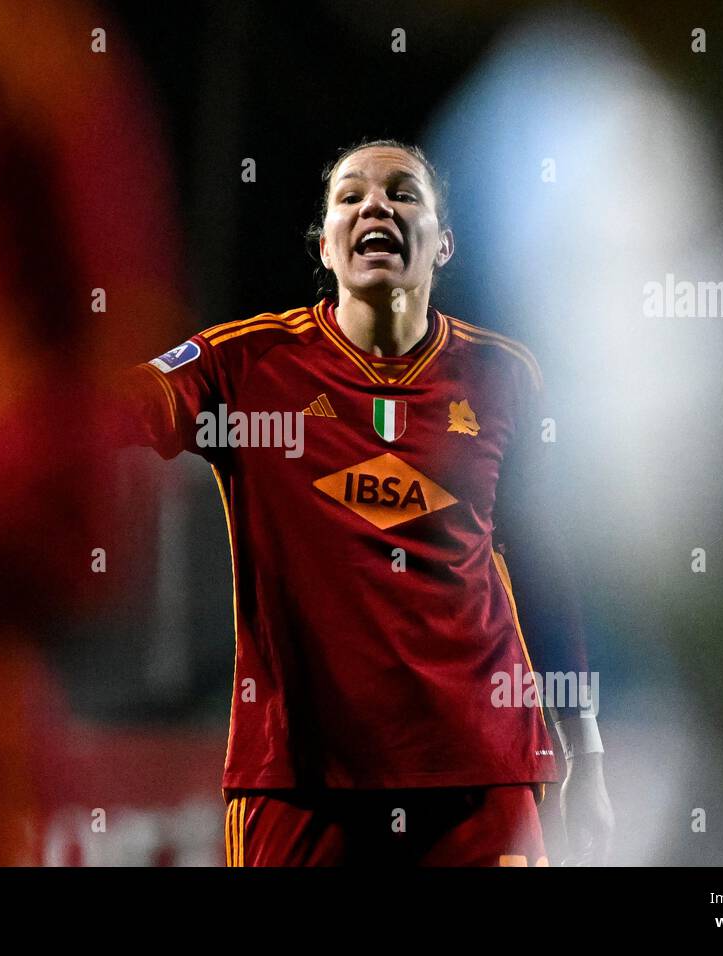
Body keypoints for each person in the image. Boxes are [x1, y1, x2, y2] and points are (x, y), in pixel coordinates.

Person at [110, 139, 614, 866]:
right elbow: (118, 407)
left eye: (402, 192)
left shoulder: (501, 376)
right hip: (304, 786)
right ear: (324, 245)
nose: (375, 203)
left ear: (443, 244)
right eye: (350, 196)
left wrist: (587, 752)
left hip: (481, 783)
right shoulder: (247, 366)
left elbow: (542, 569)